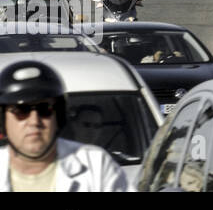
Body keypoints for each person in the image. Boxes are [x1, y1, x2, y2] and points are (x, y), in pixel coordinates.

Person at [0, 61, 129, 191]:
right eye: (21, 110)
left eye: (45, 109)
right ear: (3, 119)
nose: (34, 121)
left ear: (59, 116)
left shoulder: (97, 166)